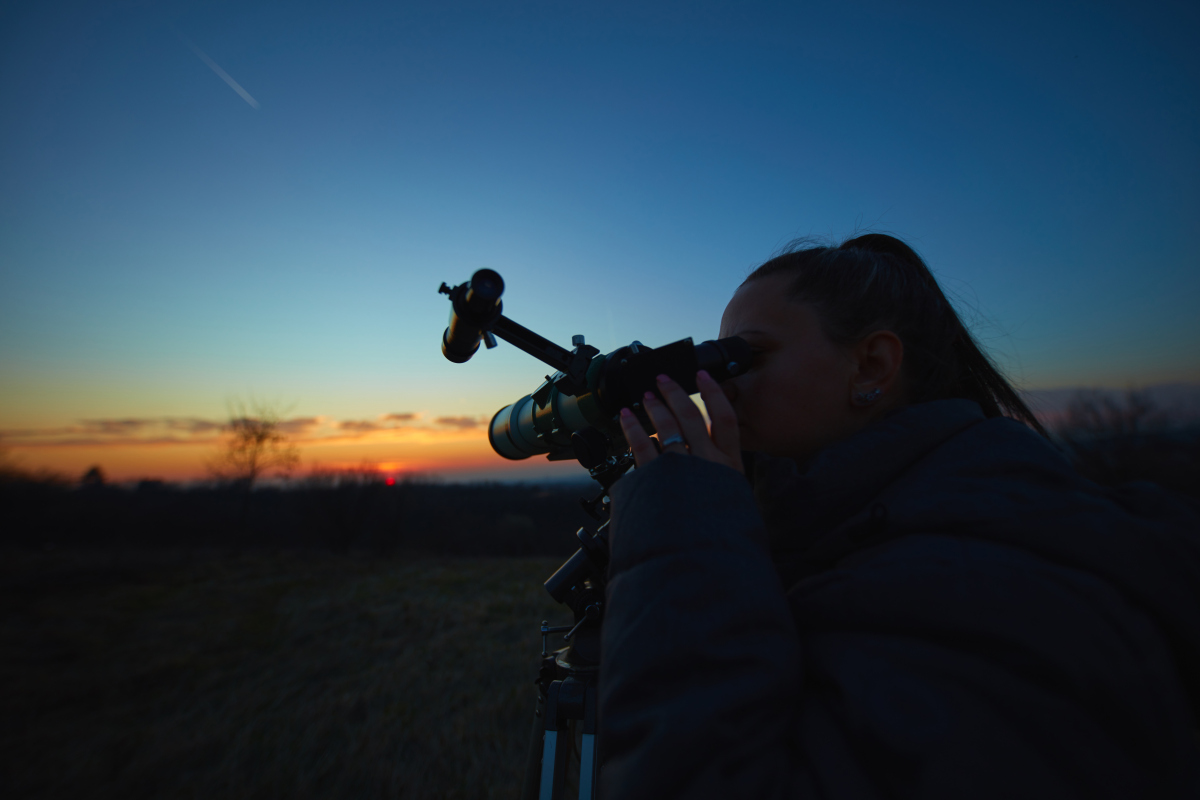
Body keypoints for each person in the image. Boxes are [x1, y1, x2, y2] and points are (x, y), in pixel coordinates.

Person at [598, 233, 1200, 799]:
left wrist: (686, 535)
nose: (716, 389)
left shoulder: (982, 582)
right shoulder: (884, 528)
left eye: (741, 357)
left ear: (872, 367)